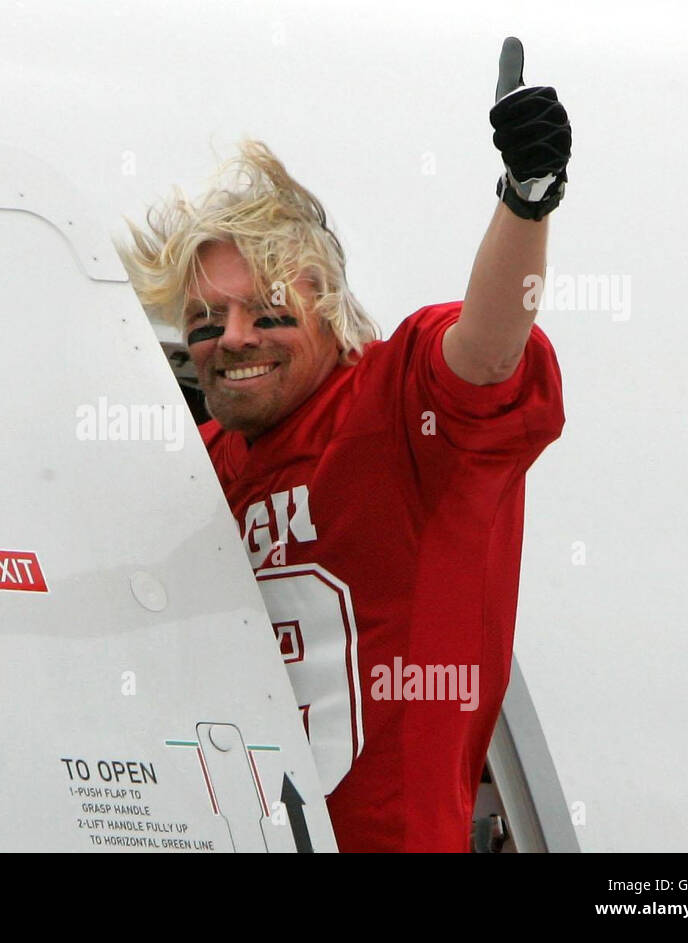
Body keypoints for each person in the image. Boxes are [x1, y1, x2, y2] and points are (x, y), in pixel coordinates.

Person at [116, 39, 570, 852]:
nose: (234, 339)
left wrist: (525, 201)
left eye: (266, 312)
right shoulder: (201, 470)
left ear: (328, 308)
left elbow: (490, 349)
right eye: (206, 323)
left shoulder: (394, 410)